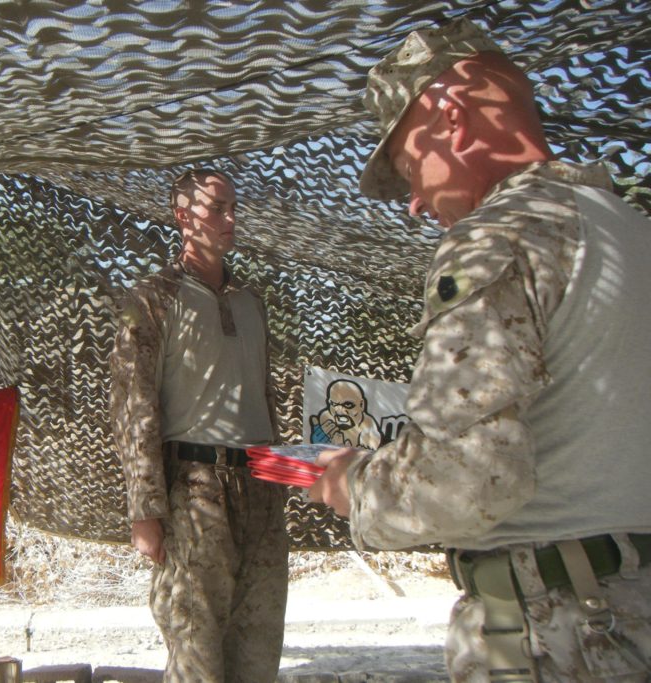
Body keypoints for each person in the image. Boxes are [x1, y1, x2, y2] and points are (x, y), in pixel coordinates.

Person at [308, 17, 651, 682]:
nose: (412, 202)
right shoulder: (628, 228)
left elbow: (467, 477)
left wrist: (354, 483)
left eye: (409, 165)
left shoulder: (498, 236)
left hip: (551, 635)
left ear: (452, 116)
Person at [109, 168, 289, 682]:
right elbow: (133, 403)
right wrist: (145, 509)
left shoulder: (251, 302)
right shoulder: (153, 299)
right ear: (184, 216)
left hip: (260, 490)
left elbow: (264, 398)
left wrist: (283, 478)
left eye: (233, 208)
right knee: (197, 653)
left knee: (258, 649)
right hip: (195, 491)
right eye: (217, 208)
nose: (230, 219)